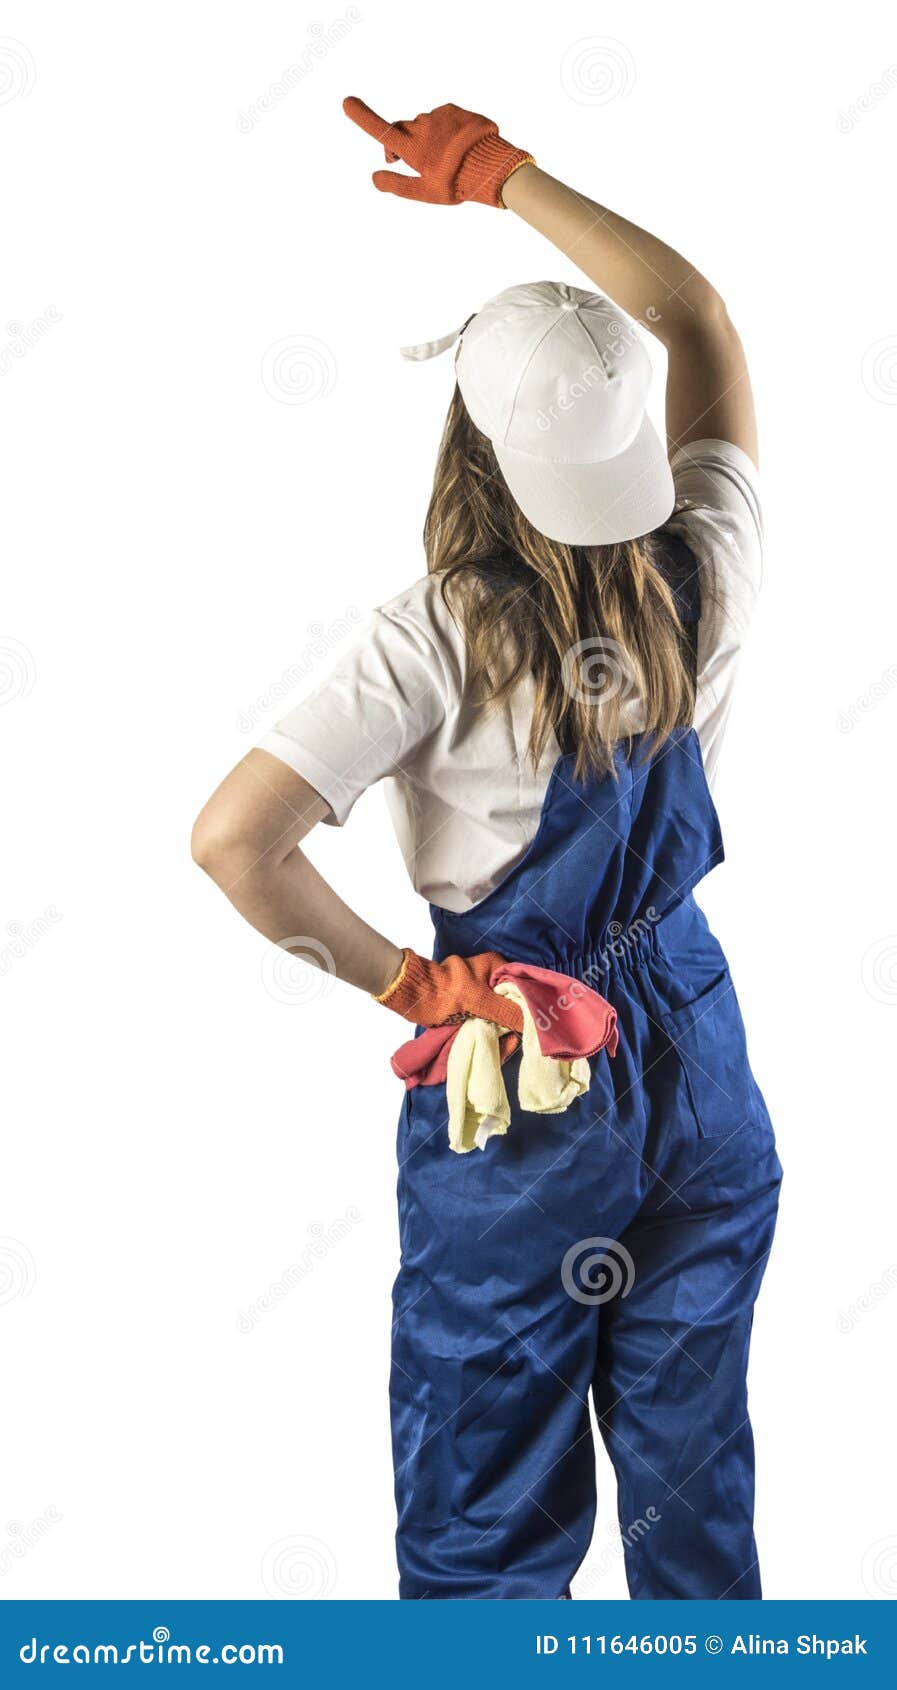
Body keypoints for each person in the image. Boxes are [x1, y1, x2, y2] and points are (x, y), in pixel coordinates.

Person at [192, 98, 782, 1601]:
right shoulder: (709, 554)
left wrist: (413, 989)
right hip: (698, 1068)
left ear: (471, 438)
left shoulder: (431, 635)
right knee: (690, 1506)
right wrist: (508, 180)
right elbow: (693, 311)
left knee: (483, 1524)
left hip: (518, 1077)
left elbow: (234, 841)